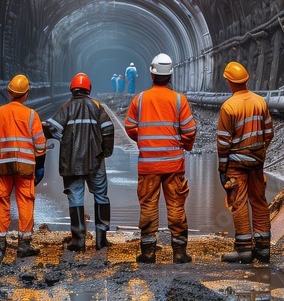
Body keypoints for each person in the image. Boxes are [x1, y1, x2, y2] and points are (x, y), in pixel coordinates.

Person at [125, 53, 196, 263]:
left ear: (151, 74)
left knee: (148, 205)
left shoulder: (139, 99)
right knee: (176, 205)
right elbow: (190, 130)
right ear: (170, 75)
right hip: (174, 164)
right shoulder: (178, 99)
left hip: (148, 165)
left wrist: (145, 141)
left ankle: (148, 253)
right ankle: (180, 253)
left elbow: (129, 127)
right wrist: (184, 145)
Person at [43, 73, 115, 251]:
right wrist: (105, 152)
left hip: (72, 162)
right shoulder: (97, 107)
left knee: (75, 198)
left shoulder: (65, 108)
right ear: (88, 89)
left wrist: (61, 138)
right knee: (101, 196)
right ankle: (101, 240)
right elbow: (108, 129)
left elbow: (49, 128)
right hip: (95, 161)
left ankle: (78, 241)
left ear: (72, 89)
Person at [0, 74, 47, 256]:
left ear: (9, 92)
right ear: (26, 94)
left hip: (2, 166)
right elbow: (40, 145)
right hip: (25, 167)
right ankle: (24, 246)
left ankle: (0, 244)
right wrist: (39, 164)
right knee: (25, 202)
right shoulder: (32, 115)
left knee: (0, 200)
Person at [216, 62, 273, 264]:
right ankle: (263, 248)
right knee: (259, 201)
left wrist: (222, 168)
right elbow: (268, 133)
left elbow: (223, 143)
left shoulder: (229, 107)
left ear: (229, 82)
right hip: (256, 163)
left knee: (238, 203)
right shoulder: (260, 102)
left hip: (237, 163)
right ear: (246, 80)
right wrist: (259, 154)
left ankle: (244, 250)